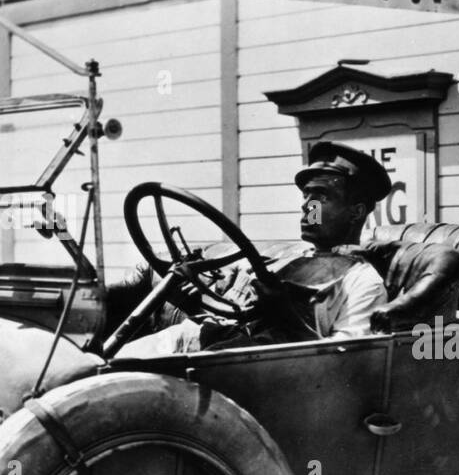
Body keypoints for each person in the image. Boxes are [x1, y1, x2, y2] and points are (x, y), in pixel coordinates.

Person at [115, 142, 390, 355]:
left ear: (356, 212)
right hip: (205, 346)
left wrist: (285, 316)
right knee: (101, 367)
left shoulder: (362, 282)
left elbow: (346, 367)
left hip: (254, 380)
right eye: (306, 195)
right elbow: (234, 321)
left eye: (322, 197)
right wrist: (190, 305)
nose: (308, 205)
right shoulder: (285, 261)